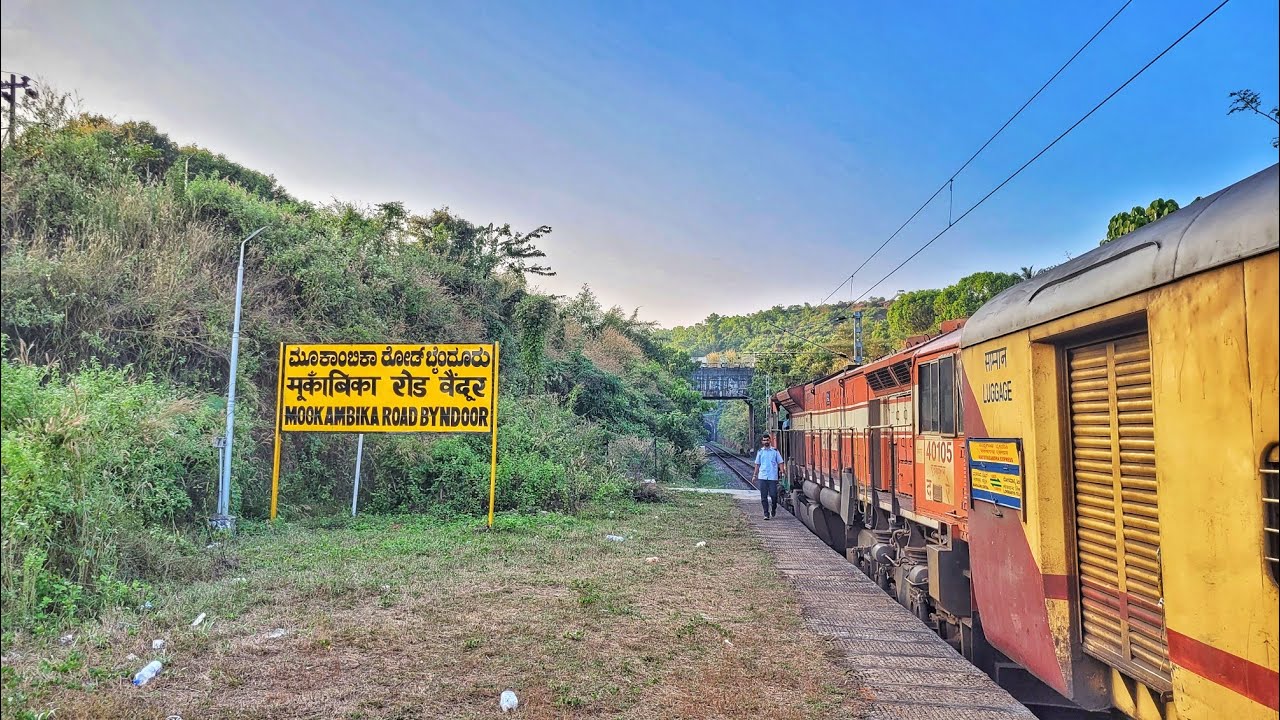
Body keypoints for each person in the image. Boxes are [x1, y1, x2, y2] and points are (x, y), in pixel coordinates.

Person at [753, 434, 785, 519]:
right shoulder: (760, 451)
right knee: (763, 497)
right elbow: (757, 464)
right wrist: (754, 475)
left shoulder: (775, 451)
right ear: (762, 442)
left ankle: (773, 508)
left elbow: (780, 462)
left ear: (770, 440)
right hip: (762, 476)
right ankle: (766, 514)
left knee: (774, 495)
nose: (766, 442)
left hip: (772, 477)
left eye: (767, 440)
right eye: (764, 440)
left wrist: (782, 472)